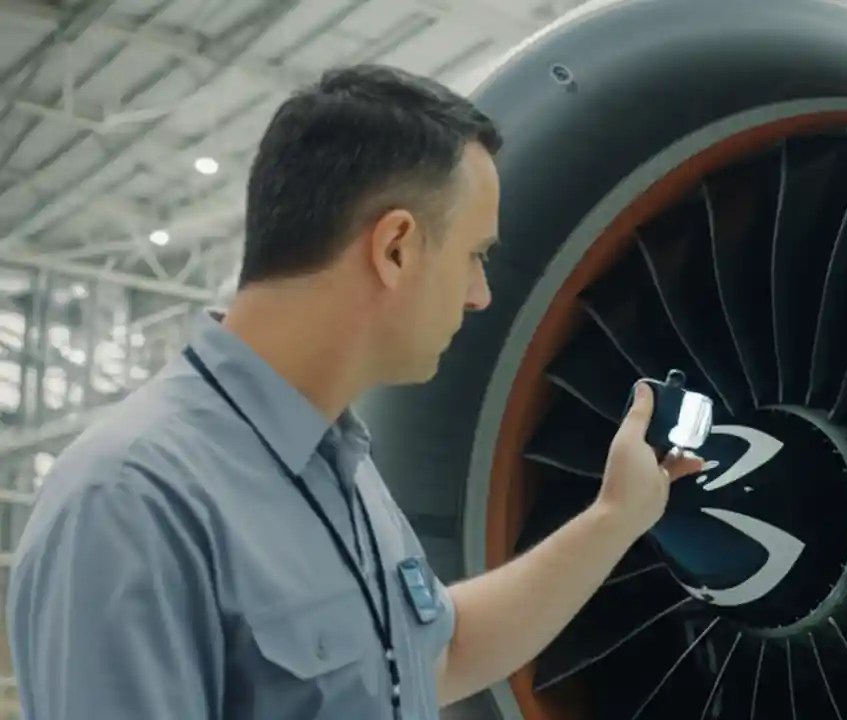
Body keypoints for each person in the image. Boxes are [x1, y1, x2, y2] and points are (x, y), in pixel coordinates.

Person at [5, 64, 703, 720]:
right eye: (474, 256)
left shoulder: (341, 467)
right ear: (395, 247)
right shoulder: (133, 502)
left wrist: (615, 516)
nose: (481, 296)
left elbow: (438, 657)